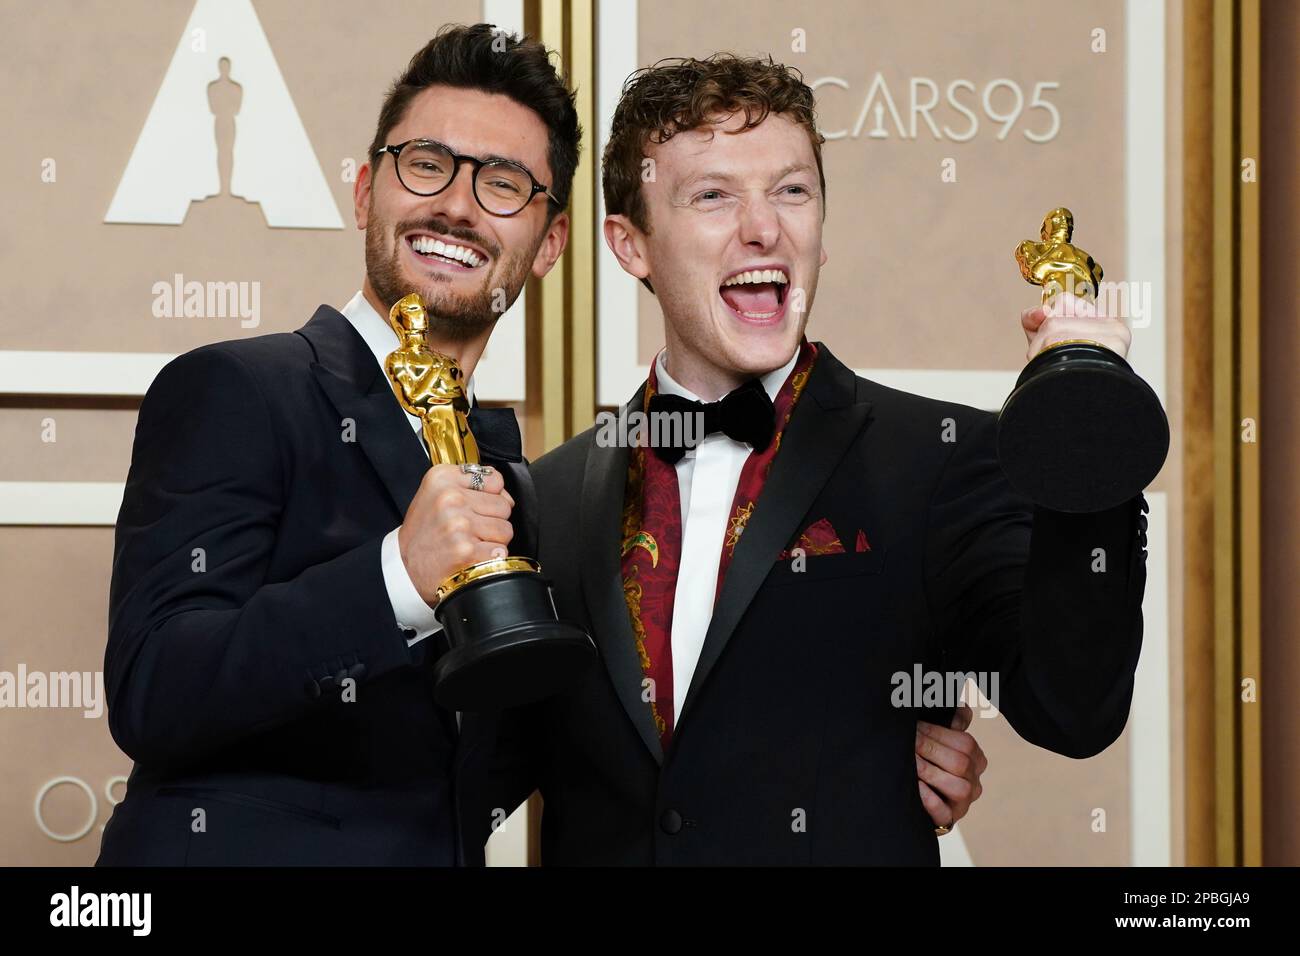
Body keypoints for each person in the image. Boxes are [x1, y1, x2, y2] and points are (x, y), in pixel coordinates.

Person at [463, 53, 1147, 865]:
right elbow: (481, 776)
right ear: (631, 244)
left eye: (792, 190)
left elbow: (1073, 710)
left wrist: (1083, 432)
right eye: (713, 195)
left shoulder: (942, 459)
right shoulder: (551, 495)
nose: (765, 227)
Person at [97, 23, 577, 865]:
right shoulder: (236, 390)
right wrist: (397, 573)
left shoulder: (506, 475)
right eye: (427, 164)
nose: (456, 206)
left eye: (503, 185)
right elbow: (154, 690)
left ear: (551, 244)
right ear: (364, 192)